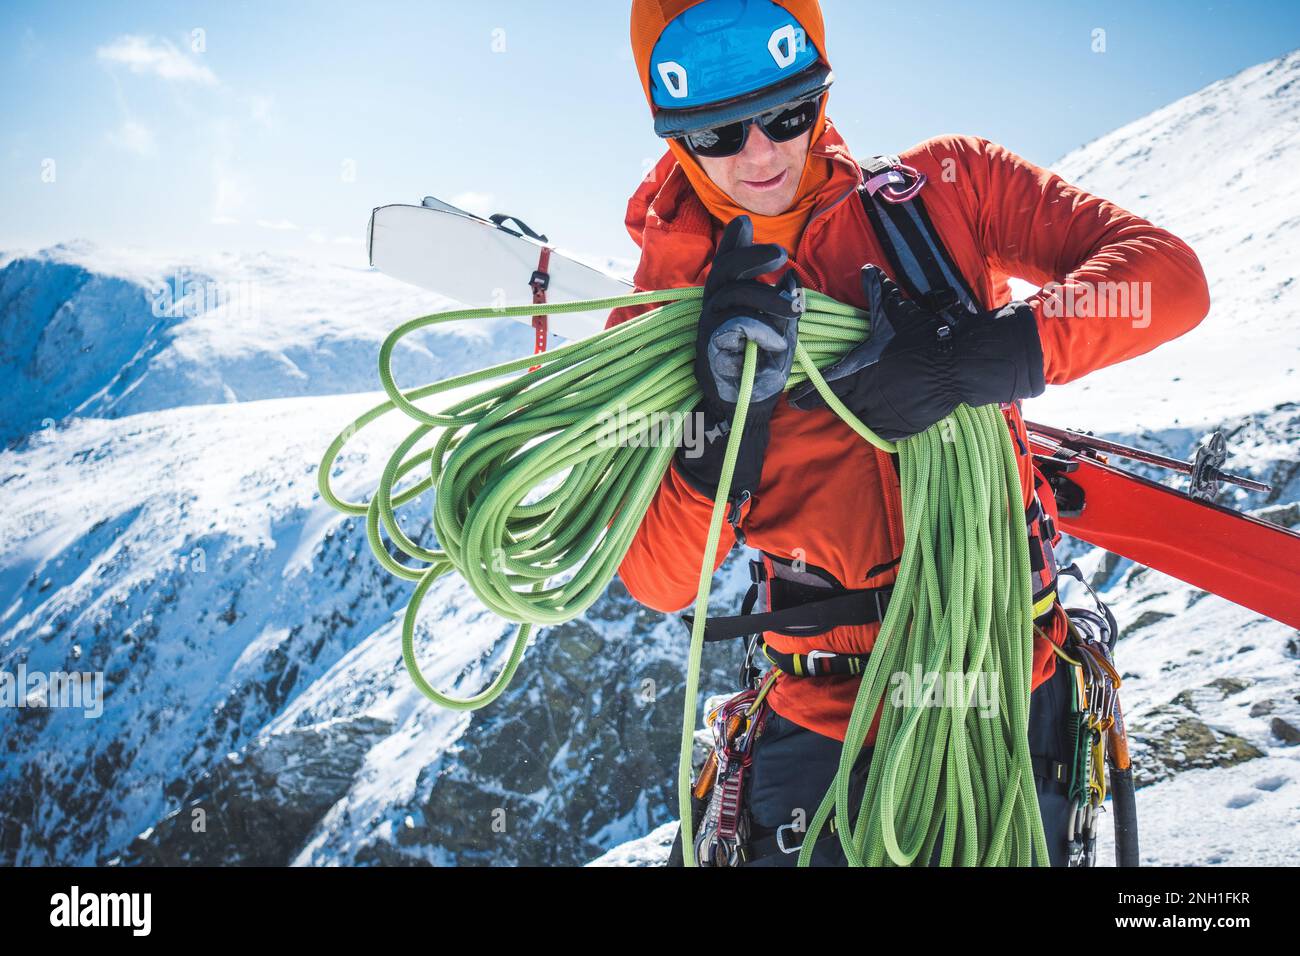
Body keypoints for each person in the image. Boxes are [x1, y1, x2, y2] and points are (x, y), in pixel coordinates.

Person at [609, 0, 1210, 866]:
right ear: (672, 135)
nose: (762, 153)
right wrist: (721, 426)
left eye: (787, 114)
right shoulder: (656, 321)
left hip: (1007, 691)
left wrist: (976, 360)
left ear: (821, 88)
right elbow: (660, 578)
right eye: (718, 134)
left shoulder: (947, 195)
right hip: (827, 735)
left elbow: (1169, 280)